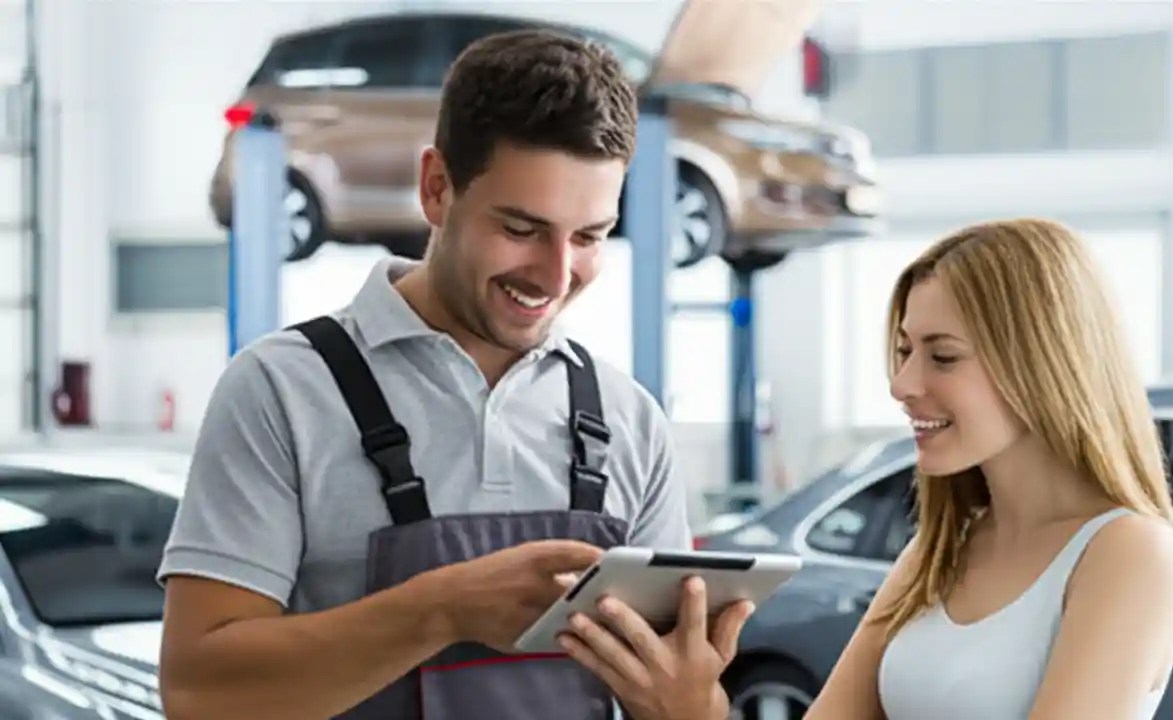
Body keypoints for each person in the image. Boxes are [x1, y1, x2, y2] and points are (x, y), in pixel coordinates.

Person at [156, 30, 751, 720]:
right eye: (522, 228)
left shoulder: (630, 420)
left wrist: (691, 705)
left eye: (589, 236)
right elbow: (198, 694)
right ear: (436, 188)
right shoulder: (280, 392)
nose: (557, 276)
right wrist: (443, 610)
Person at [804, 218, 1173, 720]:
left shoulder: (1130, 552)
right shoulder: (937, 550)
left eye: (942, 356)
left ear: (1042, 363)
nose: (901, 384)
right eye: (904, 352)